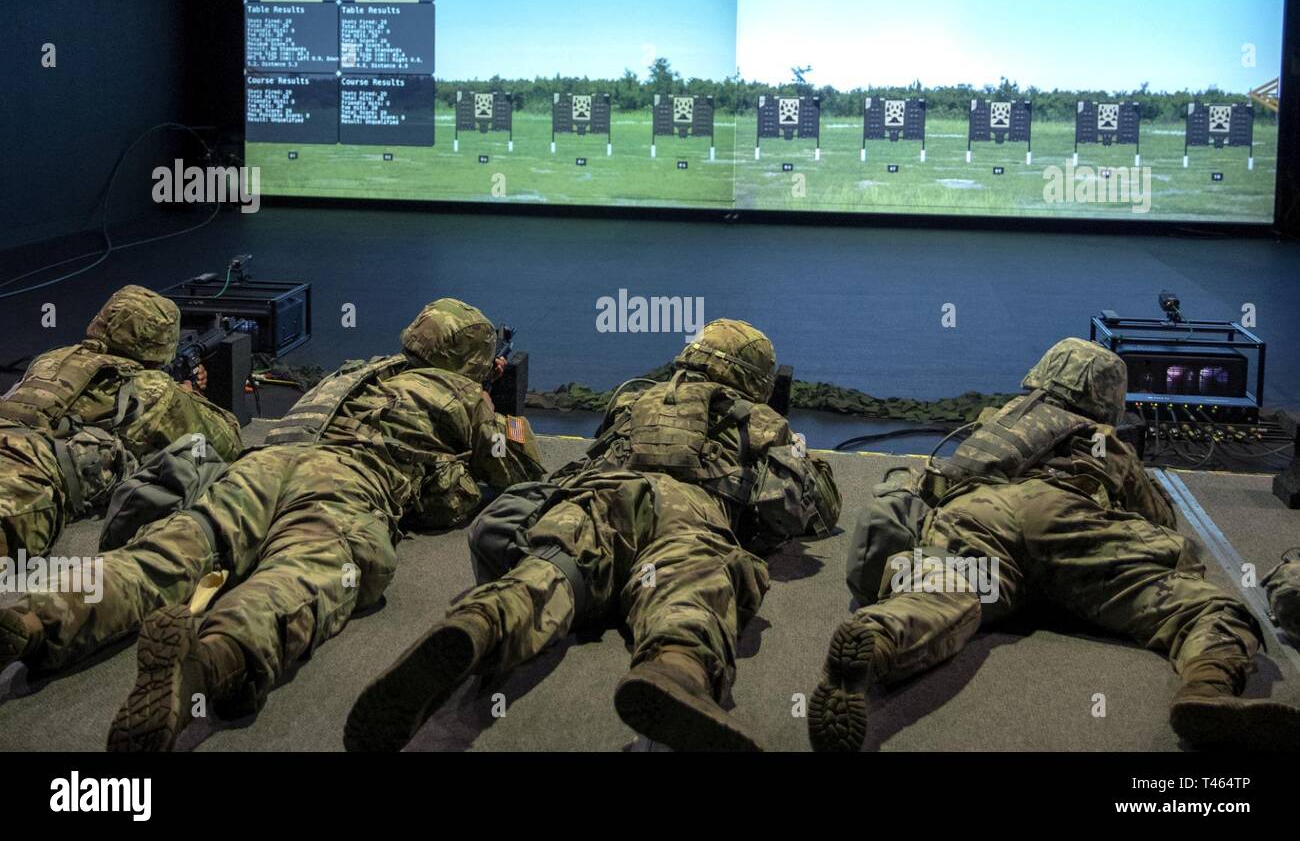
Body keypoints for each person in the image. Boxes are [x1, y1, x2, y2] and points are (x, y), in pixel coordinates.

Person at [0, 298, 544, 752]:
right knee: (299, 577)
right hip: (343, 485)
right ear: (470, 360)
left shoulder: (354, 370)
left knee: (169, 553)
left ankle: (31, 621)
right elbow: (521, 471)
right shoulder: (463, 394)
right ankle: (205, 666)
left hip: (263, 465)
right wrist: (494, 406)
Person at [345, 319, 840, 752]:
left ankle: (481, 624)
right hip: (691, 510)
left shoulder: (633, 396)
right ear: (753, 376)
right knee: (691, 588)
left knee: (548, 571)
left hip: (600, 497)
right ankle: (676, 670)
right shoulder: (760, 420)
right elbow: (809, 506)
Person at [809, 337, 1300, 752]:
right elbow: (1159, 519)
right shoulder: (1103, 438)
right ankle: (1210, 688)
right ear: (1105, 397)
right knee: (1201, 607)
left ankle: (877, 638)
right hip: (1067, 525)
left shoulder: (997, 421)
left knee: (942, 594)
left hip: (980, 517)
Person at [0, 285, 241, 559]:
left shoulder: (52, 359)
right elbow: (227, 442)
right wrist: (189, 396)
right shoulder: (153, 388)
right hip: (24, 485)